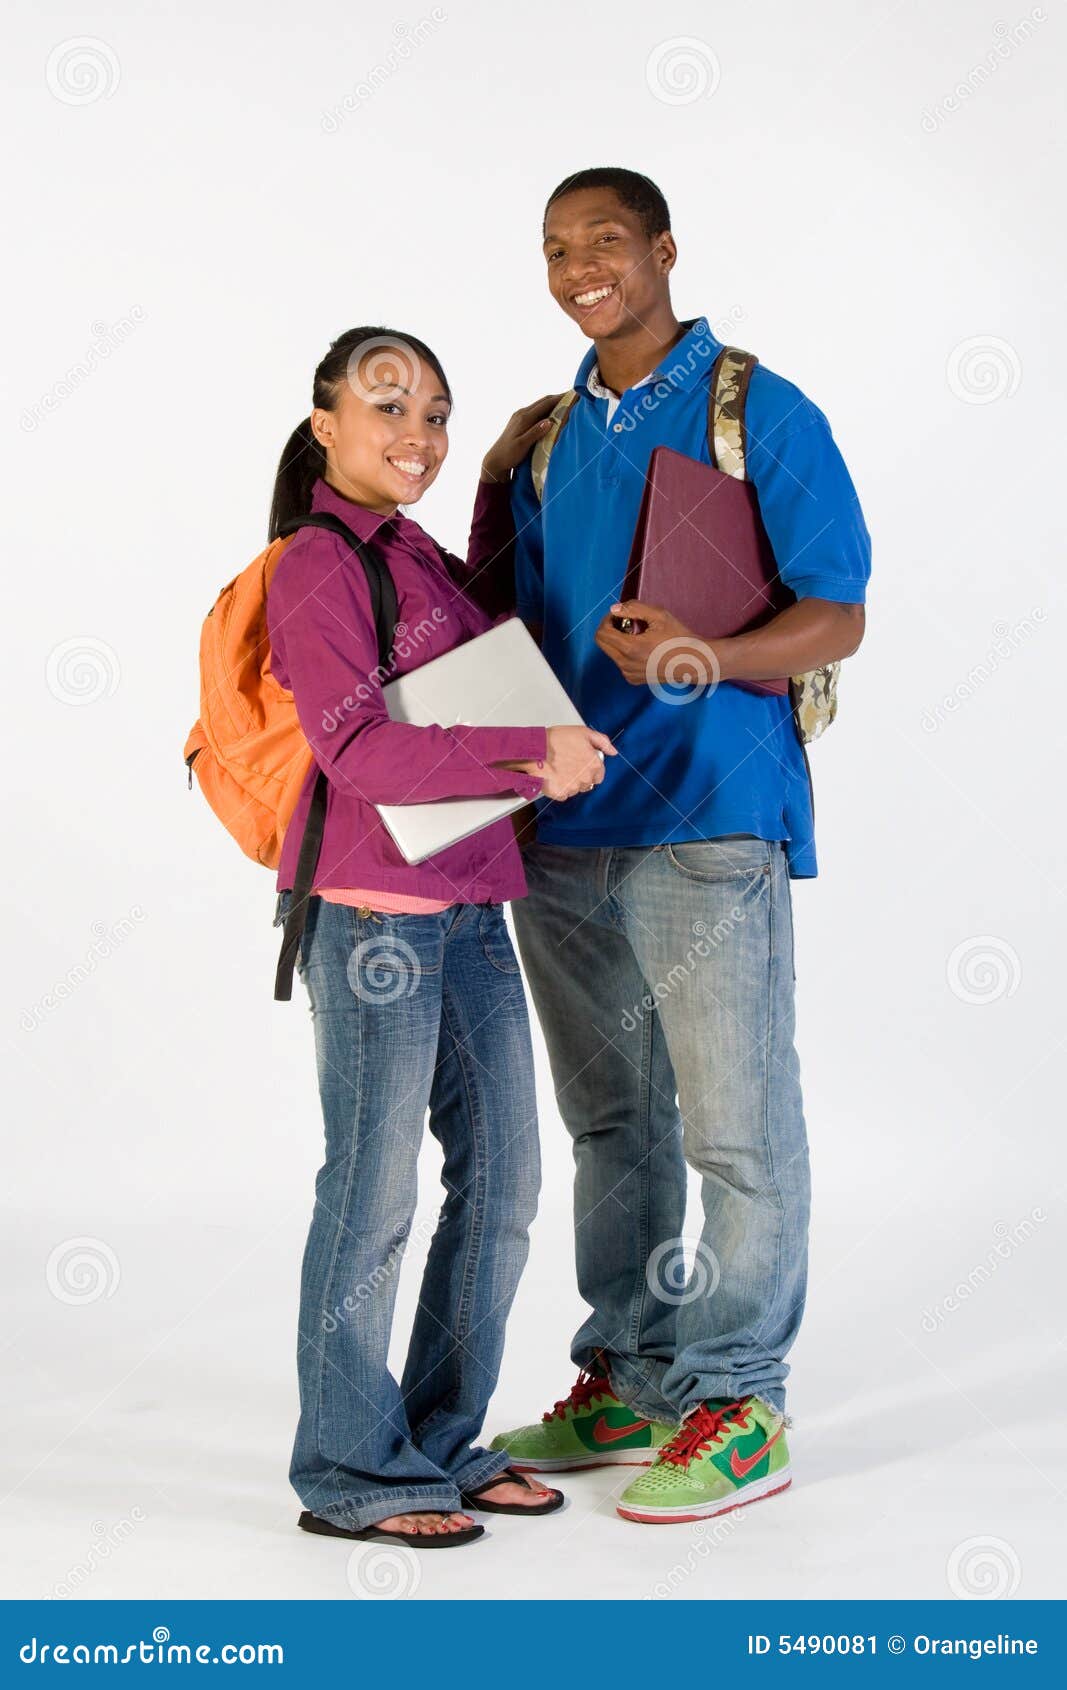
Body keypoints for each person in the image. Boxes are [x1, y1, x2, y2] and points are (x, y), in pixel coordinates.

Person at [488, 169, 871, 1523]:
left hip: (707, 815)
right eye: (554, 249)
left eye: (603, 240)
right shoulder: (544, 441)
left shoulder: (756, 407)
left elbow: (836, 612)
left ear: (661, 250)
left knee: (735, 1129)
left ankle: (739, 1403)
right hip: (564, 828)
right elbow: (521, 630)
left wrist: (705, 654)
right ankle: (634, 1375)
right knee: (611, 1125)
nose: (578, 267)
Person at [267, 325, 615, 1547]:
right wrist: (532, 754)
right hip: (374, 920)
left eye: (435, 413)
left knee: (505, 1180)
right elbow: (357, 748)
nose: (417, 432)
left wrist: (493, 482)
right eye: (389, 407)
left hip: (467, 908)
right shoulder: (315, 562)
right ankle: (348, 1469)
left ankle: (435, 1438)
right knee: (370, 1197)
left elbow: (484, 644)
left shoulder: (408, 548)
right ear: (326, 425)